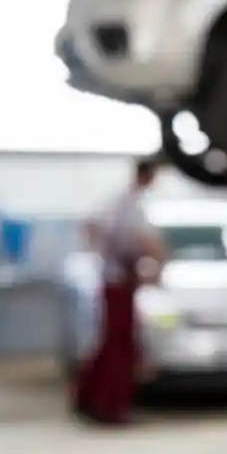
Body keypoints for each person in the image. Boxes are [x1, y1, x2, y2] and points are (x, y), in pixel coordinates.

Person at [75, 155, 167, 425]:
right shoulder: (131, 204)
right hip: (119, 281)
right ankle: (110, 405)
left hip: (115, 279)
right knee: (120, 344)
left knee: (112, 341)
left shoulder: (117, 201)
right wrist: (156, 261)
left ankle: (89, 397)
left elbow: (92, 226)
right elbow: (143, 240)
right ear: (149, 176)